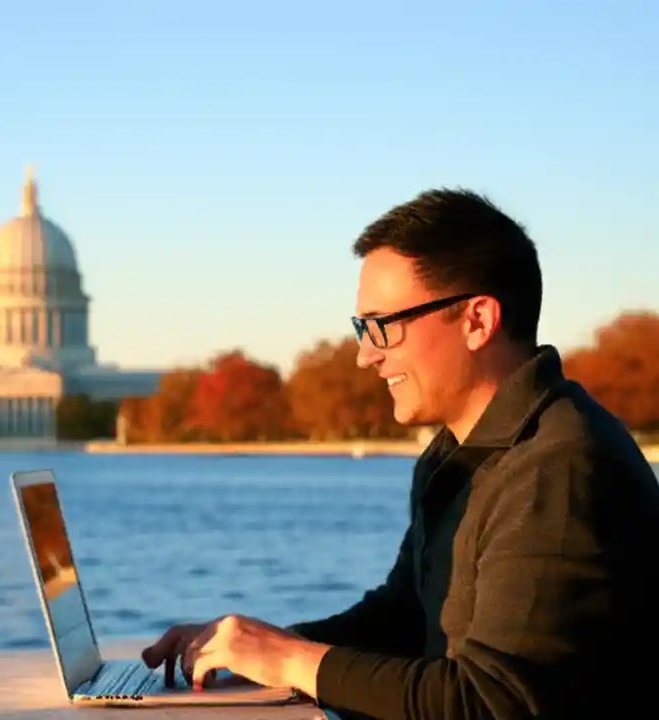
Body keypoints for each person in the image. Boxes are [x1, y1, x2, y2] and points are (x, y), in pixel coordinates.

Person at [141, 188, 659, 719]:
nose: (367, 355)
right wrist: (256, 652)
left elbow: (495, 702)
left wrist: (293, 660)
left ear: (478, 320)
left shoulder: (558, 467)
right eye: (362, 328)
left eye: (384, 326)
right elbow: (407, 617)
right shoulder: (458, 453)